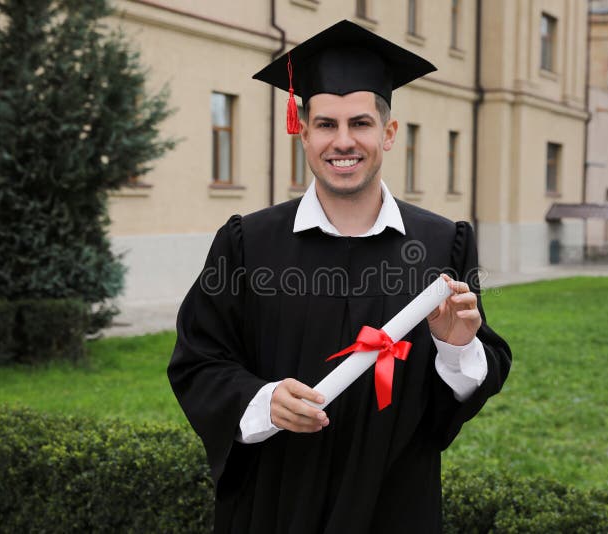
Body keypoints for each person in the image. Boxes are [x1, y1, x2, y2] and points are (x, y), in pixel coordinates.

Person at [168, 20, 511, 534]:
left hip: (393, 506)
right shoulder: (247, 243)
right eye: (326, 124)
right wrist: (263, 402)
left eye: (361, 123)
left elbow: (462, 391)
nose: (343, 141)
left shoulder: (443, 246)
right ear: (303, 132)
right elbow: (199, 361)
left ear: (389, 133)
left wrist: (456, 349)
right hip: (274, 502)